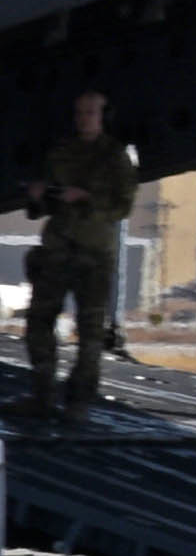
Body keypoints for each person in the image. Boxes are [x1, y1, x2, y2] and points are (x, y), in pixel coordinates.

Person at [22, 90, 140, 414]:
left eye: (90, 112)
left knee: (90, 331)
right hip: (57, 249)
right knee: (38, 321)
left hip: (93, 252)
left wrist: (86, 198)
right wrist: (38, 196)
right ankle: (42, 394)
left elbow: (123, 206)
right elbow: (39, 208)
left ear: (103, 117)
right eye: (80, 113)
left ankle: (79, 400)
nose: (83, 118)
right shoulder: (60, 152)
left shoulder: (116, 157)